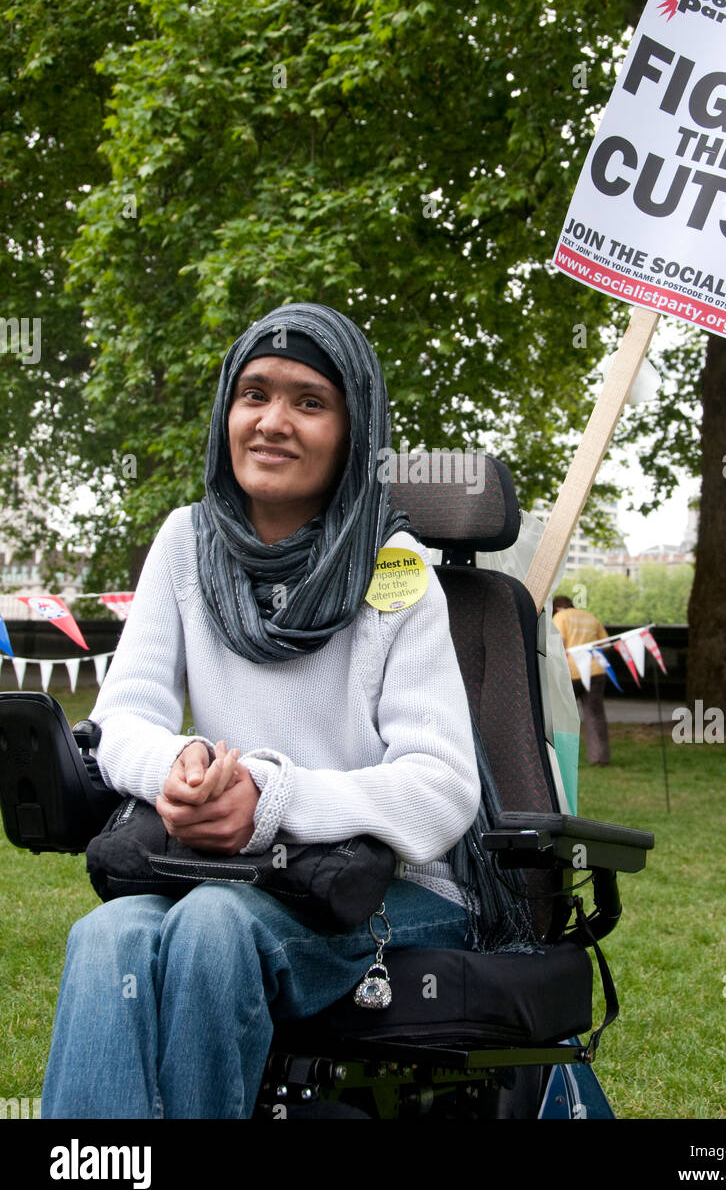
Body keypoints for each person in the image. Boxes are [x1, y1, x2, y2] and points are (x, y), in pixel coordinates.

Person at [41, 302, 486, 1120]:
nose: (273, 422)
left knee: (214, 928)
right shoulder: (186, 543)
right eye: (254, 394)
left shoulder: (396, 572)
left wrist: (271, 800)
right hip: (221, 869)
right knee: (105, 938)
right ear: (226, 411)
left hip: (383, 887)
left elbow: (440, 790)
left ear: (355, 429)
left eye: (309, 402)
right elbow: (123, 721)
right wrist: (175, 770)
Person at [551, 595, 611, 766]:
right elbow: (606, 644)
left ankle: (560, 757)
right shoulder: (590, 617)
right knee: (595, 714)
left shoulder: (561, 617)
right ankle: (600, 757)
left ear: (557, 608)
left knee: (562, 715)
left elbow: (559, 644)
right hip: (596, 671)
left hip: (571, 672)